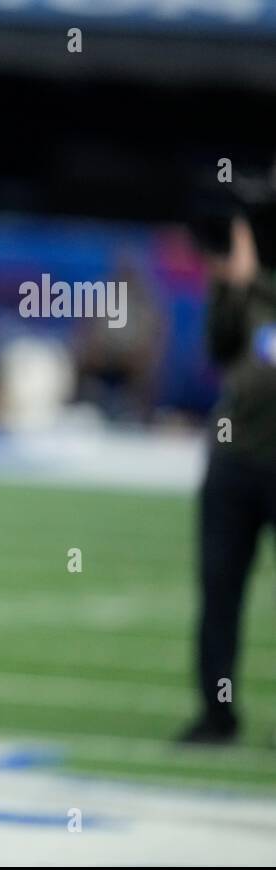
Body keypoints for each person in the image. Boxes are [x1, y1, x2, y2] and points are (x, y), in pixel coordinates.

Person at [180, 215, 276, 745]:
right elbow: (218, 349)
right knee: (219, 591)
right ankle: (216, 713)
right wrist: (238, 287)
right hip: (235, 462)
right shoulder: (241, 289)